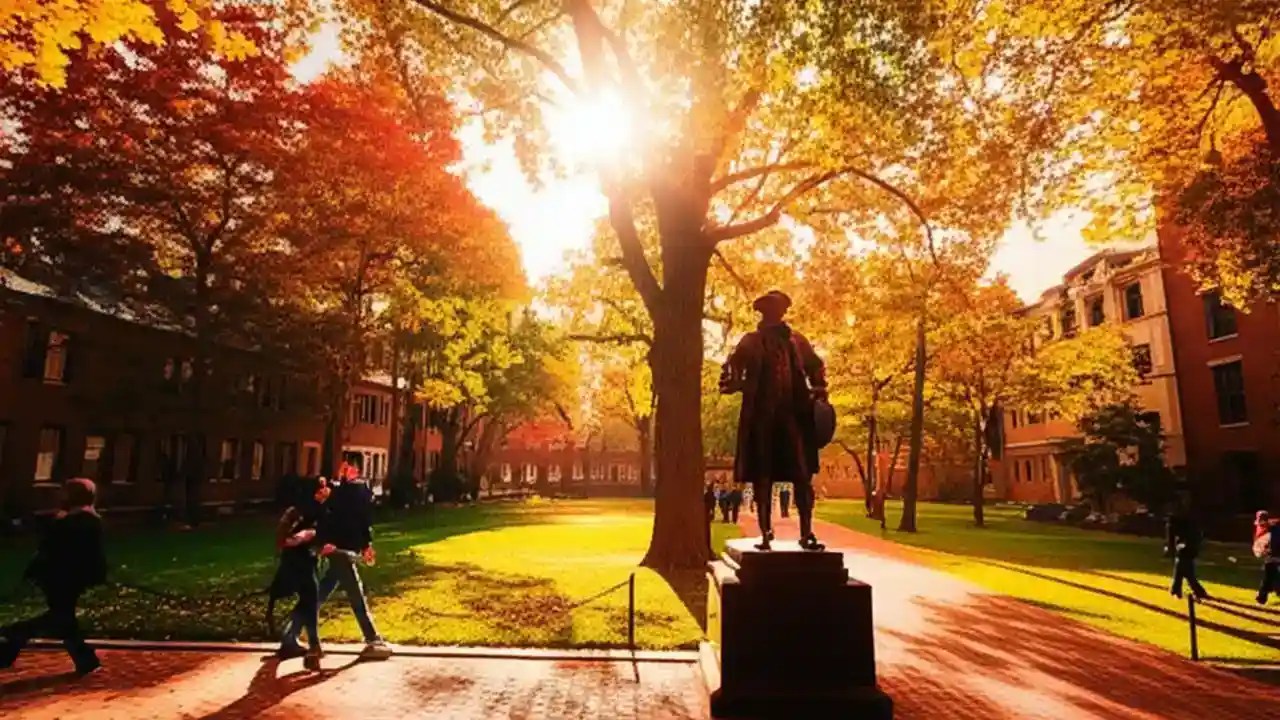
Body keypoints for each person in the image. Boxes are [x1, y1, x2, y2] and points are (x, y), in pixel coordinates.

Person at [720, 289, 828, 551]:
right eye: (771, 309)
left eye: (779, 309)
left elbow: (816, 367)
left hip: (792, 417)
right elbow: (730, 370)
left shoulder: (797, 341)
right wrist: (734, 382)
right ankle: (766, 533)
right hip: (762, 419)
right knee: (762, 475)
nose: (776, 314)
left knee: (802, 475)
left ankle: (806, 532)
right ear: (763, 312)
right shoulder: (751, 342)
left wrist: (820, 389)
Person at [280, 463, 393, 660]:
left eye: (349, 468)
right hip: (338, 551)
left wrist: (366, 545)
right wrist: (327, 541)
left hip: (340, 548)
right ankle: (372, 638)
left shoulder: (348, 493)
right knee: (355, 594)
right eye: (344, 467)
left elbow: (360, 520)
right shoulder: (331, 497)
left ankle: (290, 634)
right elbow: (326, 522)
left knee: (321, 593)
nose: (346, 471)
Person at [1, 478, 107, 675]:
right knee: (64, 620)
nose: (60, 496)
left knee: (60, 617)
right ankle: (86, 661)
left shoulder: (76, 521)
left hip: (62, 578)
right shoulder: (84, 519)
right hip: (66, 578)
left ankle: (13, 639)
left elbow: (53, 550)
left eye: (64, 492)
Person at [271, 477, 330, 669]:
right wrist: (303, 537)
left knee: (308, 602)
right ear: (314, 492)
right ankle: (314, 648)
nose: (326, 492)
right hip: (297, 563)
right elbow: (283, 539)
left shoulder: (319, 510)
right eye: (322, 489)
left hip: (307, 561)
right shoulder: (297, 512)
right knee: (310, 602)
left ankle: (292, 642)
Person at [1165, 498, 1210, 602]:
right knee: (1182, 567)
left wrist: (1172, 547)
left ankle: (1197, 591)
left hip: (1187, 546)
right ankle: (1176, 589)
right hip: (1190, 544)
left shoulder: (1177, 521)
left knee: (1185, 569)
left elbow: (1172, 536)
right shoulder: (1187, 519)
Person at [1255, 511, 1279, 605]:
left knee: (1268, 577)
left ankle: (1261, 598)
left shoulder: (1273, 529)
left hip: (1274, 556)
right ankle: (1262, 597)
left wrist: (1268, 552)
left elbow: (1274, 543)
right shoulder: (1270, 527)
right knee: (1273, 577)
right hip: (1272, 556)